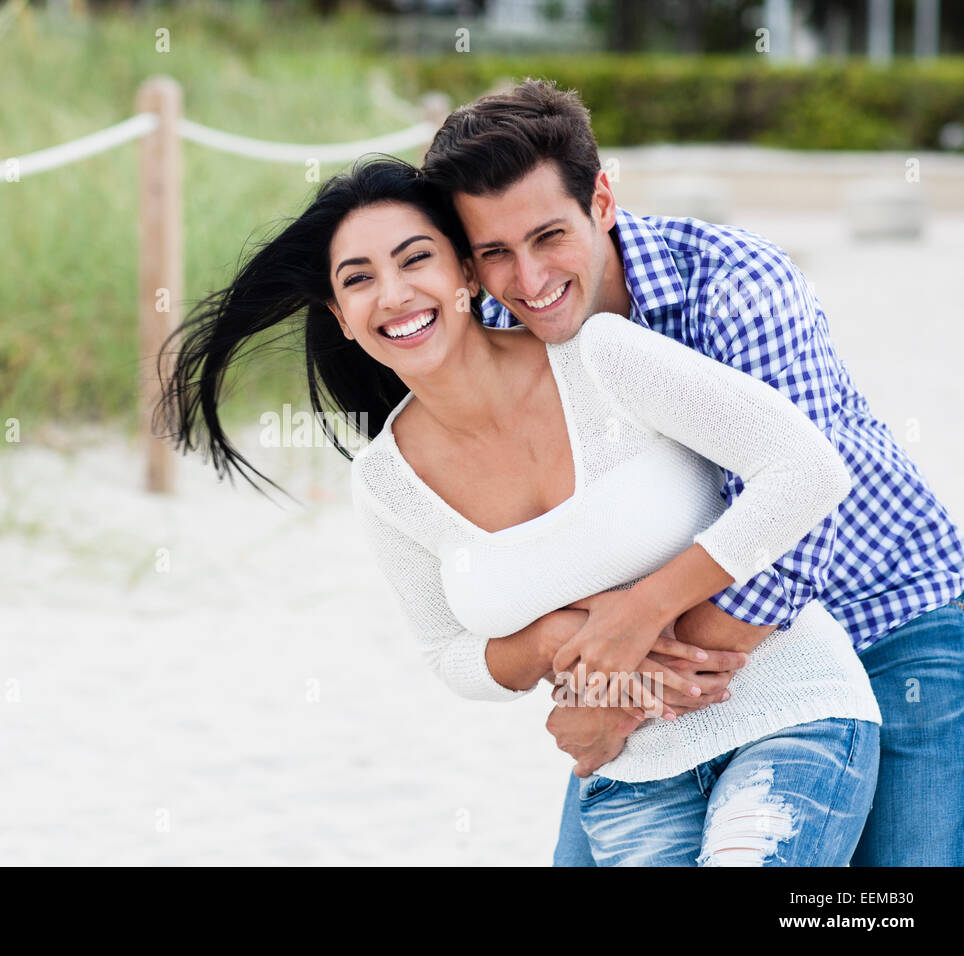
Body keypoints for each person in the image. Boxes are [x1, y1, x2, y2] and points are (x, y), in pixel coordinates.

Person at [154, 154, 883, 866]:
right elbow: (448, 655)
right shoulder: (384, 482)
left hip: (785, 715)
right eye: (359, 279)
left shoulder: (600, 356)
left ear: (468, 275)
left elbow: (805, 469)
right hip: (626, 766)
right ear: (341, 317)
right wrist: (554, 639)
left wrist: (638, 614)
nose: (395, 293)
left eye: (416, 260)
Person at [420, 77, 964, 867]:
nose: (528, 281)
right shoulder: (505, 331)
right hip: (680, 654)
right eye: (494, 253)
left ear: (602, 200)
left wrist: (620, 691)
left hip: (884, 619)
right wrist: (605, 659)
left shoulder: (737, 282)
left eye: (549, 237)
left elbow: (798, 539)